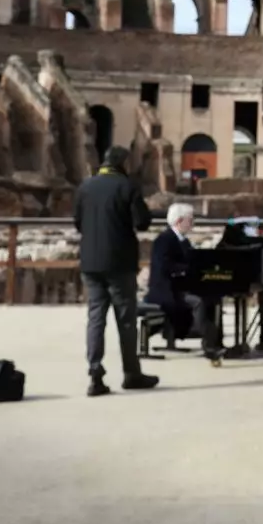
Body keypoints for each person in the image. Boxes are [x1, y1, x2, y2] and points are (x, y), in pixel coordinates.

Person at [73, 147, 157, 396]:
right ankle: (131, 373)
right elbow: (142, 221)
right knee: (126, 320)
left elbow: (77, 222)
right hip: (120, 263)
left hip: (90, 262)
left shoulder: (85, 187)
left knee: (96, 318)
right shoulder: (127, 186)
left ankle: (95, 372)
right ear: (123, 163)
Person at [145, 203, 224, 364]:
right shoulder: (164, 240)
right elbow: (165, 266)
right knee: (198, 302)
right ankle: (209, 346)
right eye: (190, 219)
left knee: (213, 298)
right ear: (179, 221)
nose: (192, 223)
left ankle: (216, 340)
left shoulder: (183, 240)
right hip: (166, 290)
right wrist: (186, 270)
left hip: (179, 287)